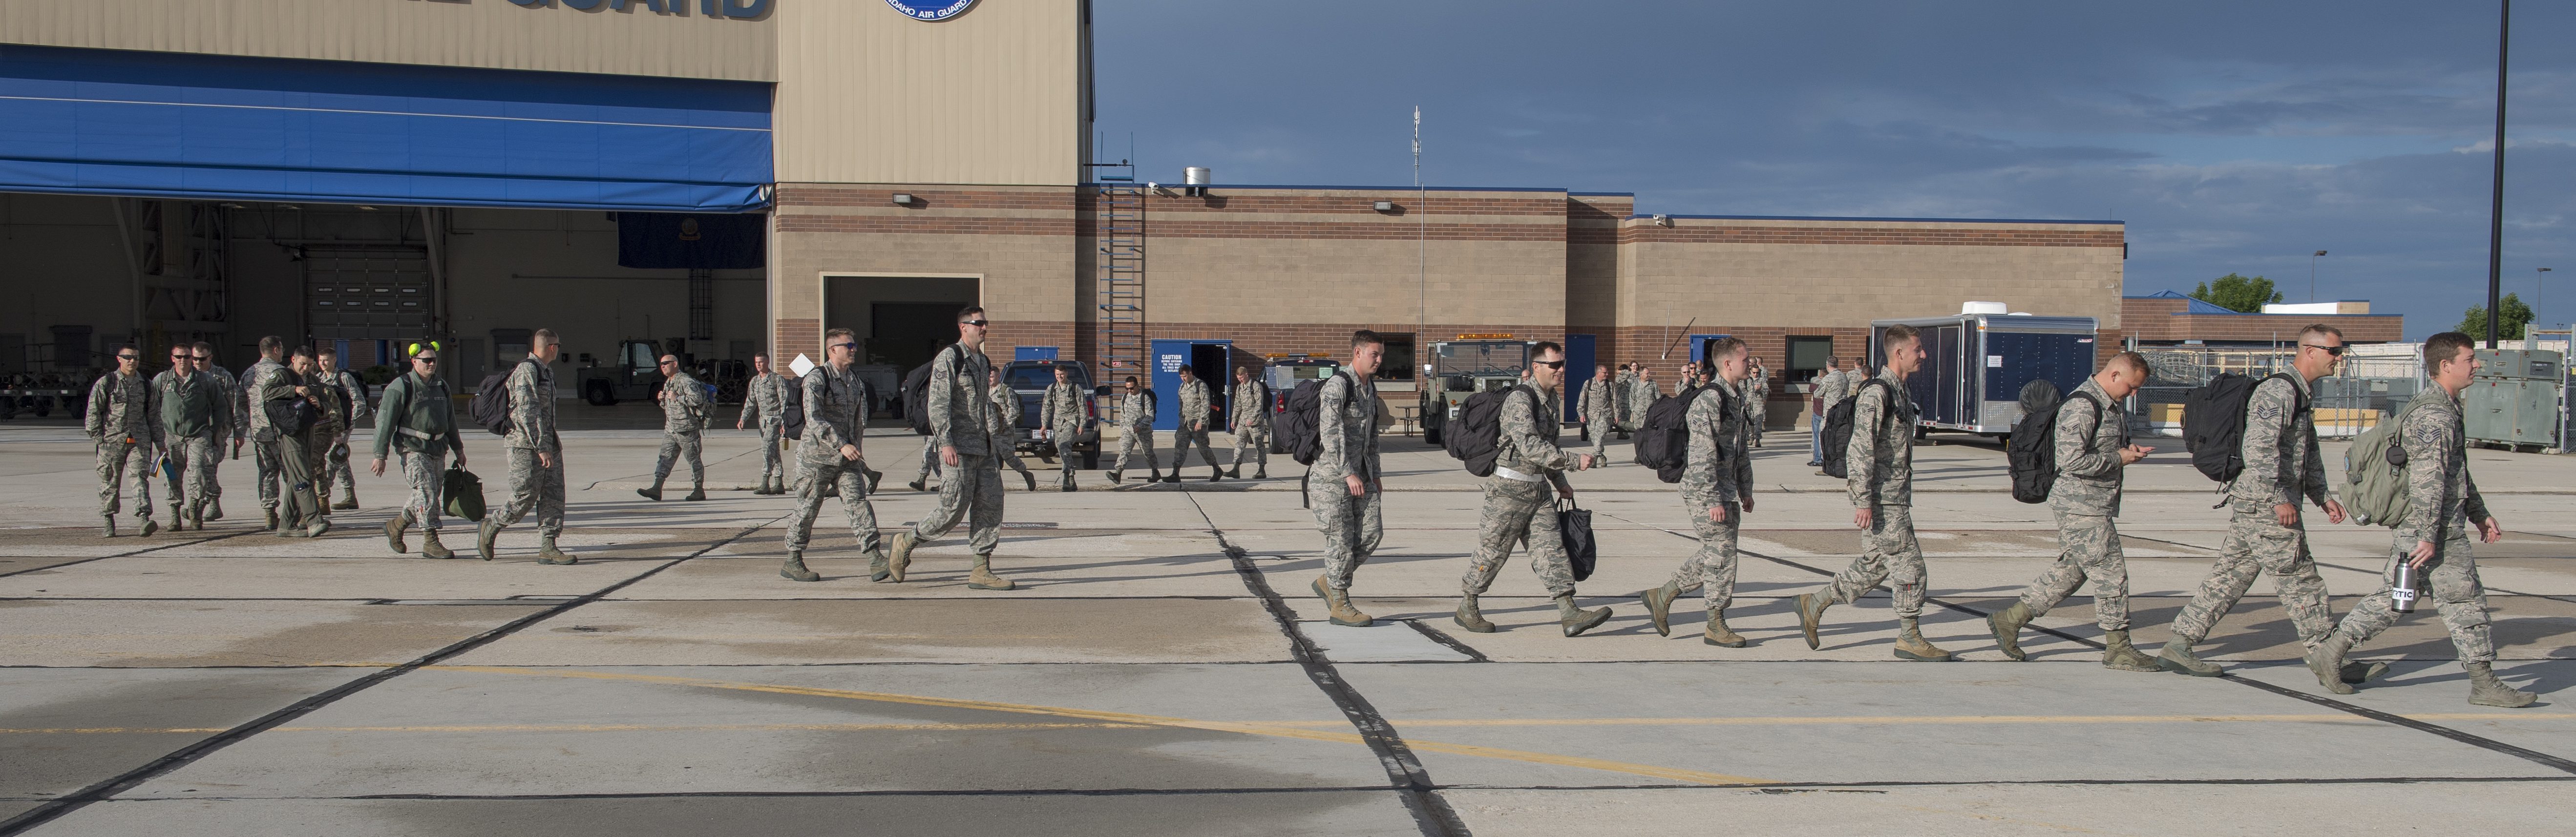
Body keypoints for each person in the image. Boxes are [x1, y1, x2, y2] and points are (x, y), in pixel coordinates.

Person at [2313, 333, 2531, 707]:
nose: (2477, 365)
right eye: (2470, 359)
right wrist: (2429, 536)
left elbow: (2455, 472)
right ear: (2446, 366)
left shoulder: (2441, 407)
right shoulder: (2435, 415)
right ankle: (2484, 684)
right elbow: (2428, 480)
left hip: (2429, 527)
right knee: (2466, 604)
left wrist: (2479, 514)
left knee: (2397, 597)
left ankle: (2330, 652)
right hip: (2435, 531)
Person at [2158, 324, 2352, 677]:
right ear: (2310, 350)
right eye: (2334, 352)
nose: (2340, 359)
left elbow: (2304, 452)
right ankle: (2328, 656)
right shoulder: (2279, 391)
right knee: (2301, 579)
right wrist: (2279, 498)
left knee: (2230, 576)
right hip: (2266, 503)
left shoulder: (2299, 392)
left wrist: (2322, 497)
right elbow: (2259, 449)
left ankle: (2180, 644)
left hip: (2259, 500)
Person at [1987, 353, 2160, 671]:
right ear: (2116, 375)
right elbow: (2072, 461)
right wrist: (2118, 459)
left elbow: (2099, 451)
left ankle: (2009, 621)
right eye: (2132, 387)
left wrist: (2125, 453)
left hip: (2093, 503)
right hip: (2081, 506)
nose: (2134, 394)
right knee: (2112, 573)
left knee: (2072, 572)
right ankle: (2118, 648)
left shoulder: (2109, 406)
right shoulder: (2082, 407)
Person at [1794, 324, 1950, 661]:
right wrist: (1863, 500)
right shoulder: (1877, 393)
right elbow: (1859, 448)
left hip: (1893, 495)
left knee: (1876, 566)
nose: (1923, 355)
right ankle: (1909, 636)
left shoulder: (1899, 391)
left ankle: (1815, 603)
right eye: (1917, 349)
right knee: (1912, 568)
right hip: (1882, 500)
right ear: (1898, 353)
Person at [1455, 341, 1607, 636]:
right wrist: (1575, 462)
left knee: (1552, 551)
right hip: (1509, 492)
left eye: (1562, 364)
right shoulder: (1520, 400)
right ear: (1537, 367)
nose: (1561, 370)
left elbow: (1550, 445)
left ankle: (1569, 611)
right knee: (1492, 553)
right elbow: (1529, 446)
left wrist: (1561, 483)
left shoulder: (1552, 400)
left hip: (1538, 493)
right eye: (1555, 365)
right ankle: (1468, 604)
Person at [1638, 338, 1757, 646]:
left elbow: (1739, 449)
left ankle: (1663, 595)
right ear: (1728, 363)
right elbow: (1702, 453)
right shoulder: (1710, 399)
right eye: (1745, 359)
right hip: (1706, 490)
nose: (1750, 362)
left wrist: (1746, 489)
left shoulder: (1736, 396)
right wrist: (1712, 499)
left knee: (1717, 553)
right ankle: (1715, 623)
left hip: (1727, 489)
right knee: (1722, 554)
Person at [886, 307, 1012, 590]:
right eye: (979, 323)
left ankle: (981, 569)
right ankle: (906, 542)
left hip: (984, 448)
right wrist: (945, 442)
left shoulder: (982, 361)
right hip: (958, 448)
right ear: (963, 327)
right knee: (953, 508)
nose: (984, 328)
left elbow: (982, 405)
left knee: (990, 508)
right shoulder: (950, 357)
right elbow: (938, 403)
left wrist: (999, 440)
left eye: (985, 323)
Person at [782, 328, 883, 583]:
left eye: (854, 345)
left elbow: (858, 421)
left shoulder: (855, 381)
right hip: (816, 460)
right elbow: (813, 419)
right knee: (808, 509)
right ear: (832, 350)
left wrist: (858, 455)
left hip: (847, 460)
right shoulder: (818, 378)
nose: (854, 350)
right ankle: (793, 560)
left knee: (858, 505)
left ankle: (875, 558)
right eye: (848, 346)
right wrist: (840, 445)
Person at [1309, 330, 1387, 627]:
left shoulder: (1370, 388)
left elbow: (1373, 437)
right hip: (1332, 479)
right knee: (1340, 540)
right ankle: (1340, 604)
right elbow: (1330, 434)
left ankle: (1330, 580)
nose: (1379, 360)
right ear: (1358, 353)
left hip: (1362, 474)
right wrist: (1348, 472)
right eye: (1374, 354)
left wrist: (1375, 474)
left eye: (1381, 355)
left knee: (1372, 532)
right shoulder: (1338, 386)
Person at [480, 330, 569, 564]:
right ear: (551, 347)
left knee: (554, 494)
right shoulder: (527, 370)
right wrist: (541, 446)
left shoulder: (546, 371)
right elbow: (527, 412)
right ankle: (492, 525)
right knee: (525, 496)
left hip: (548, 443)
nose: (559, 349)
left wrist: (548, 444)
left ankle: (548, 545)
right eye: (558, 345)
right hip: (525, 446)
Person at [373, 343, 465, 559]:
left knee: (426, 494)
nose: (432, 364)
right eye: (427, 360)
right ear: (414, 362)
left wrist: (458, 448)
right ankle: (430, 541)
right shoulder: (401, 386)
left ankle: (396, 525)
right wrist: (380, 454)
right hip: (412, 448)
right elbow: (384, 422)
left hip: (438, 447)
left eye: (434, 360)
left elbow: (450, 419)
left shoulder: (441, 386)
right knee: (427, 493)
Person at [85, 345, 160, 537]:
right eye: (127, 357)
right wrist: (99, 439)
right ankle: (109, 520)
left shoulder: (145, 384)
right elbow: (94, 411)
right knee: (110, 481)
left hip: (139, 440)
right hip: (112, 441)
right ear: (119, 359)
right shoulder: (107, 383)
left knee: (140, 478)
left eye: (135, 357)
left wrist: (160, 442)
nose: (132, 361)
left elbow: (153, 415)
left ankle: (144, 518)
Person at [151, 344, 226, 529]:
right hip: (172, 437)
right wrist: (157, 436)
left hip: (198, 435)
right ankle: (175, 515)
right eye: (179, 357)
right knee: (172, 477)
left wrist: (214, 430)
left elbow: (220, 406)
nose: (183, 360)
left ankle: (195, 511)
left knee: (199, 473)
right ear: (172, 358)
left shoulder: (205, 380)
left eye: (186, 357)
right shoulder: (162, 381)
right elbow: (152, 408)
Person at [261, 347, 333, 538]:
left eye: (310, 365)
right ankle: (313, 520)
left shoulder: (314, 379)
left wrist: (320, 406)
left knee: (300, 476)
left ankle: (286, 525)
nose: (306, 368)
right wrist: (293, 389)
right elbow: (267, 392)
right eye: (302, 364)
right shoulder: (282, 375)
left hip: (309, 430)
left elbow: (327, 404)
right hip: (289, 433)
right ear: (293, 360)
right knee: (302, 476)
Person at [637, 355, 710, 502]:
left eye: (666, 363)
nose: (663, 366)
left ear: (675, 364)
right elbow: (670, 406)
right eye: (661, 364)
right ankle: (657, 488)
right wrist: (662, 400)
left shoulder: (685, 381)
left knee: (694, 460)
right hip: (671, 428)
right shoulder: (669, 382)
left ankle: (699, 490)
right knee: (665, 459)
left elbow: (697, 399)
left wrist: (677, 397)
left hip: (687, 429)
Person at [240, 336, 289, 529]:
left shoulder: (248, 373)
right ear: (276, 350)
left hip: (259, 432)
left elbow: (242, 403)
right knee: (289, 472)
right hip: (280, 432)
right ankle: (294, 511)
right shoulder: (281, 372)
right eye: (282, 350)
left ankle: (270, 512)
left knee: (267, 472)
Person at [311, 347, 366, 511]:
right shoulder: (318, 379)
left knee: (332, 459)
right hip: (326, 426)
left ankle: (323, 494)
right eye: (320, 360)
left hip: (342, 427)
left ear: (335, 360)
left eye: (326, 360)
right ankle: (350, 497)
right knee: (340, 459)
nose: (323, 363)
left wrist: (349, 424)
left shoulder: (344, 377)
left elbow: (360, 402)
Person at [737, 353, 793, 496]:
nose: (758, 365)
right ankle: (779, 482)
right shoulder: (755, 381)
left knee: (767, 448)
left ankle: (765, 480)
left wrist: (785, 422)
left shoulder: (776, 379)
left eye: (761, 362)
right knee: (774, 451)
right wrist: (743, 418)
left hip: (775, 420)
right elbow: (751, 402)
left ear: (768, 363)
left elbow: (785, 401)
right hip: (763, 422)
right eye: (756, 362)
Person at [200, 343, 240, 521]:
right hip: (195, 430)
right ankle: (204, 502)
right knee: (198, 469)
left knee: (208, 466)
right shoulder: (187, 375)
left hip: (218, 430)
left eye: (202, 359)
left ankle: (208, 503)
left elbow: (236, 404)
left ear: (210, 357)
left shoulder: (223, 376)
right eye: (194, 359)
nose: (197, 362)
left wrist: (239, 432)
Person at [988, 367, 1039, 492]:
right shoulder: (986, 391)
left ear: (998, 376)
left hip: (1004, 432)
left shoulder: (1006, 391)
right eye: (988, 377)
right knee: (989, 458)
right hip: (990, 432)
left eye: (992, 377)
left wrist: (1004, 424)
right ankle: (993, 485)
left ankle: (1025, 473)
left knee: (1009, 457)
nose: (990, 379)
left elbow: (1014, 411)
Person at [1172, 364, 1223, 482]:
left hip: (1198, 423)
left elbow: (1206, 404)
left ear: (1190, 373)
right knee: (1180, 446)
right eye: (1181, 377)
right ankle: (1175, 473)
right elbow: (1181, 404)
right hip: (1185, 423)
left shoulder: (1200, 385)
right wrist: (1181, 419)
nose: (1183, 379)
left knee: (1203, 448)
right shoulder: (1182, 387)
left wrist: (1202, 421)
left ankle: (1217, 469)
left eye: (1185, 376)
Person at [1106, 376, 1161, 484]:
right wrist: (1123, 428)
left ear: (1137, 386)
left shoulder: (1144, 397)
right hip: (1128, 431)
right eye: (1127, 388)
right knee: (1124, 451)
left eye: (1131, 388)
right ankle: (1118, 473)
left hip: (1143, 432)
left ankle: (1155, 472)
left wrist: (1140, 426)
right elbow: (1123, 415)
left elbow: (1150, 416)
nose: (1129, 391)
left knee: (1148, 453)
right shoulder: (1125, 397)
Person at [1038, 365, 1085, 491]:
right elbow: (1047, 407)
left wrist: (1082, 424)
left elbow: (1083, 407)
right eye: (1057, 375)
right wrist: (1044, 425)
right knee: (1061, 448)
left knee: (1065, 446)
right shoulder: (1052, 388)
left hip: (1071, 421)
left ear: (1067, 374)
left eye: (1062, 375)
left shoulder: (1075, 388)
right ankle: (1072, 478)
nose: (1060, 377)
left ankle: (1066, 476)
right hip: (1058, 423)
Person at [1228, 366, 1270, 479]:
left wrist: (1252, 418)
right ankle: (1236, 469)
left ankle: (1262, 470)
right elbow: (1238, 405)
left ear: (1247, 374)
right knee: (1239, 444)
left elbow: (1259, 405)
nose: (1240, 380)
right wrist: (1234, 419)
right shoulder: (1239, 388)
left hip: (1255, 422)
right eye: (1238, 378)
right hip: (1243, 421)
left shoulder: (1256, 386)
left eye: (1241, 378)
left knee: (1259, 445)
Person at [1808, 358, 1848, 468]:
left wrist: (1823, 395)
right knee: (1837, 438)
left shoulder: (1828, 378)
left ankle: (1824, 462)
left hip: (1829, 412)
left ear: (1828, 366)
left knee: (1823, 436)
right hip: (1841, 412)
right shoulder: (1844, 377)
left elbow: (1817, 394)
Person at [1577, 364, 1616, 465]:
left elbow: (1615, 401)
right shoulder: (1589, 383)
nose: (1607, 374)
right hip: (1591, 416)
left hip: (1605, 415)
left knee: (1600, 436)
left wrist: (1617, 415)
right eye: (1605, 373)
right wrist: (1581, 414)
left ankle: (1594, 459)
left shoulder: (1609, 384)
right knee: (1595, 438)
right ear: (1598, 373)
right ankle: (1601, 456)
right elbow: (1582, 399)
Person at [1744, 356, 1771, 448]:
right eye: (1754, 373)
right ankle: (1751, 437)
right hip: (1749, 401)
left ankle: (1758, 439)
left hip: (1758, 400)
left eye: (1757, 373)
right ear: (1750, 372)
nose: (1756, 375)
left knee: (1758, 419)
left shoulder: (1762, 379)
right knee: (1750, 420)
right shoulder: (1746, 379)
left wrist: (1763, 395)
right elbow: (1742, 390)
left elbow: (1767, 389)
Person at [1610, 363, 1638, 439]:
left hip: (1630, 401)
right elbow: (1627, 374)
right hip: (1622, 401)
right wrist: (1622, 372)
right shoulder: (1620, 378)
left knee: (1627, 417)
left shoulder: (1630, 377)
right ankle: (1622, 433)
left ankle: (1624, 433)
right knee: (1623, 418)